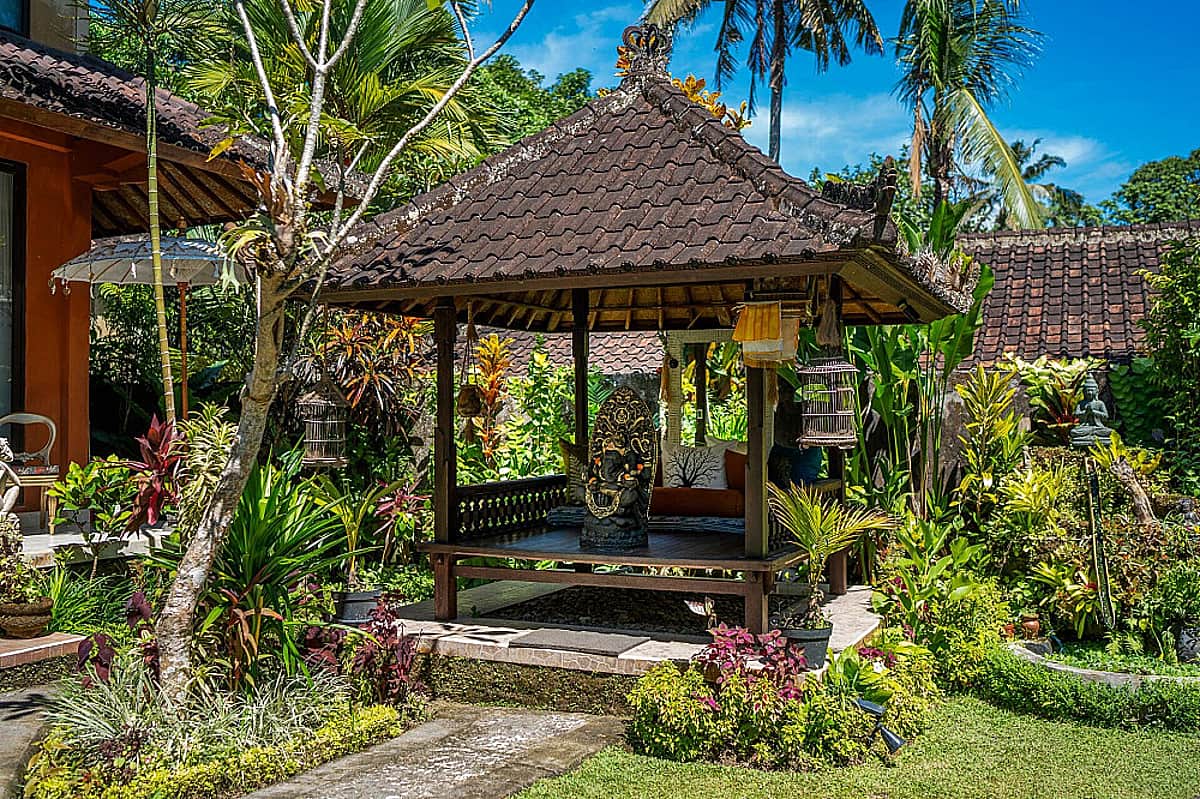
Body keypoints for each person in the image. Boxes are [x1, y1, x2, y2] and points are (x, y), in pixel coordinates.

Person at [1069, 374, 1114, 449]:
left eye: (1092, 390)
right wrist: (1086, 412)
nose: (1090, 393)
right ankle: (1090, 436)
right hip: (1085, 427)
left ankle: (1091, 436)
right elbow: (1076, 414)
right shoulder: (1081, 403)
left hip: (1098, 427)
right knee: (1074, 432)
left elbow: (1106, 416)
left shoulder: (1100, 403)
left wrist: (1094, 412)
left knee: (1108, 431)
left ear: (1096, 391)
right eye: (1087, 390)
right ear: (1084, 392)